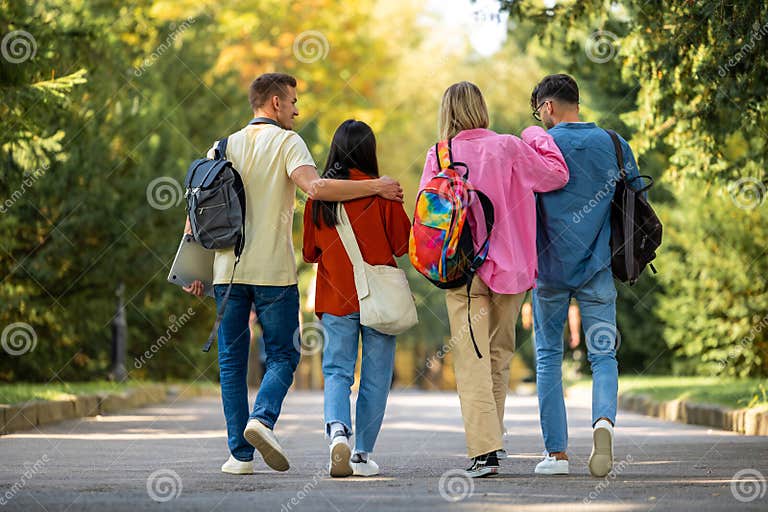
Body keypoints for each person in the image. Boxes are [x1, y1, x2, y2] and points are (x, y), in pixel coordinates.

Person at [182, 73, 403, 475]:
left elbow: (197, 211)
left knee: (231, 361)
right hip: (273, 274)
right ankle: (262, 420)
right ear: (274, 103)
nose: (297, 109)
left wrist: (192, 267)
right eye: (293, 101)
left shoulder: (221, 146)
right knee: (284, 355)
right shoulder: (288, 142)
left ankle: (239, 456)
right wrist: (375, 185)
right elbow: (317, 189)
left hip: (224, 273)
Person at [418, 81, 568, 478]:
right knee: (499, 355)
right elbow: (556, 176)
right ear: (481, 109)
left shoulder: (440, 154)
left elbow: (427, 216)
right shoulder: (510, 145)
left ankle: (484, 452)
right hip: (512, 267)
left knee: (471, 358)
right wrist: (537, 133)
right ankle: (491, 445)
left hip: (460, 267)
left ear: (447, 112)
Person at [529, 73, 643, 477]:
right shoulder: (614, 144)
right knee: (603, 356)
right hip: (597, 269)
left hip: (549, 272)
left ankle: (557, 454)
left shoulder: (540, 146)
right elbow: (637, 202)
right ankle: (603, 424)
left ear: (548, 107)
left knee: (548, 357)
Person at [302, 120, 411, 478]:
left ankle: (337, 432)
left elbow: (309, 252)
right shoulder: (385, 193)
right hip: (378, 299)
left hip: (336, 297)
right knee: (376, 378)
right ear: (370, 150)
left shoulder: (319, 199)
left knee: (337, 371)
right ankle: (362, 455)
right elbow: (401, 246)